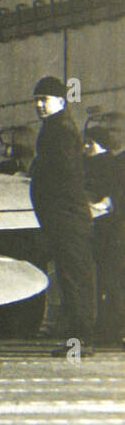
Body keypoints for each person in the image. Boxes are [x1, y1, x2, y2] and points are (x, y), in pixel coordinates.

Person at [29, 76, 98, 355]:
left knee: (74, 278)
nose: (39, 105)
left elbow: (65, 175)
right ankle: (79, 340)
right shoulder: (56, 128)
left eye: (44, 100)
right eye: (36, 101)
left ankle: (80, 342)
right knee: (73, 276)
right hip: (65, 216)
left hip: (66, 217)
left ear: (60, 101)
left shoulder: (59, 131)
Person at [84, 113, 124, 348]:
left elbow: (112, 197)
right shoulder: (114, 163)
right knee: (113, 281)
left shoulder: (112, 164)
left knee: (111, 280)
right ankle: (114, 329)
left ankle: (112, 329)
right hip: (114, 230)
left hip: (113, 231)